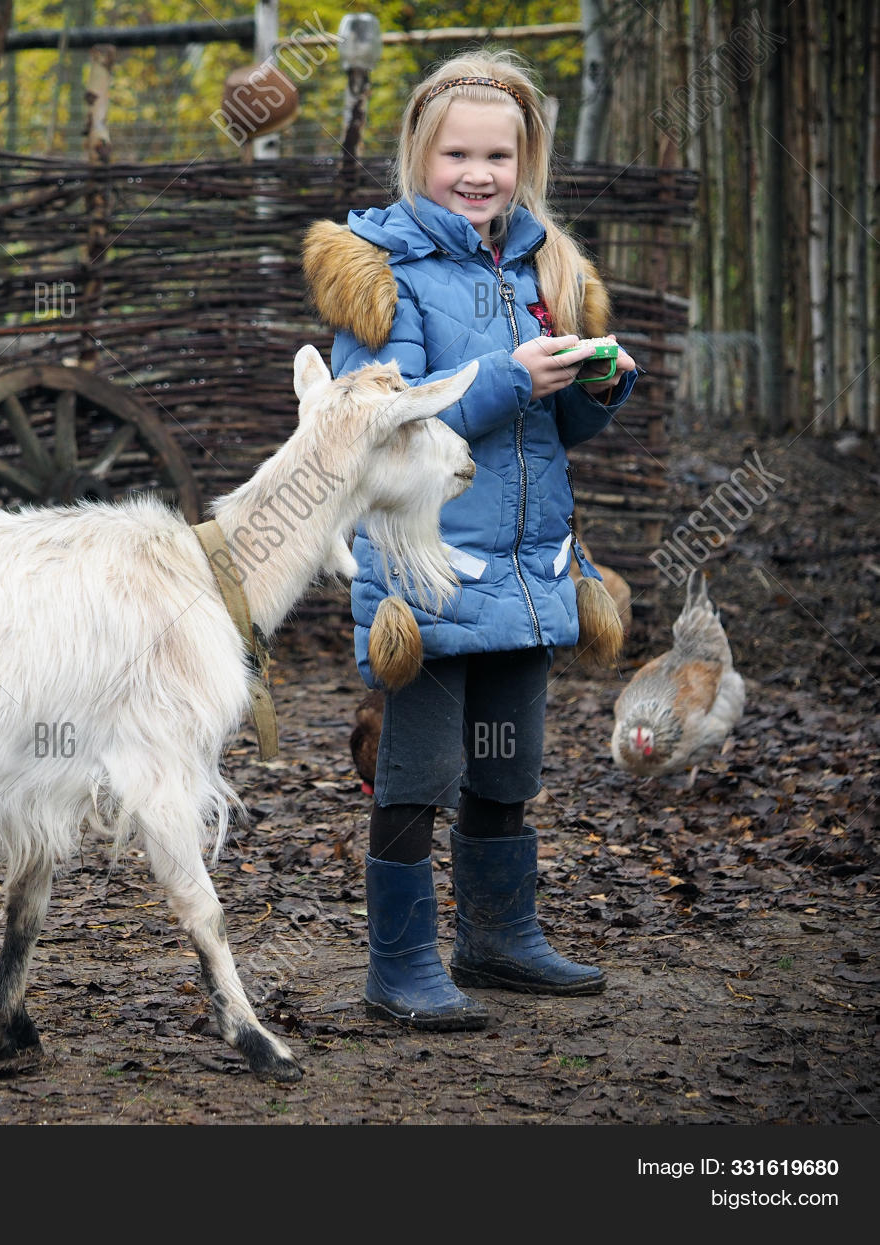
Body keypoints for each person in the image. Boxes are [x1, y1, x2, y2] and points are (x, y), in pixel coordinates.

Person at [302, 51, 637, 1030]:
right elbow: (381, 424)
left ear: (525, 159)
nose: (479, 173)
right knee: (419, 772)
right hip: (432, 571)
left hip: (531, 568)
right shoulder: (382, 274)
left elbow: (554, 431)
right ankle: (399, 964)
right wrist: (505, 378)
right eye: (458, 153)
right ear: (420, 152)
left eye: (500, 153)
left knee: (505, 763)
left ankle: (498, 938)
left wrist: (595, 386)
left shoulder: (547, 266)